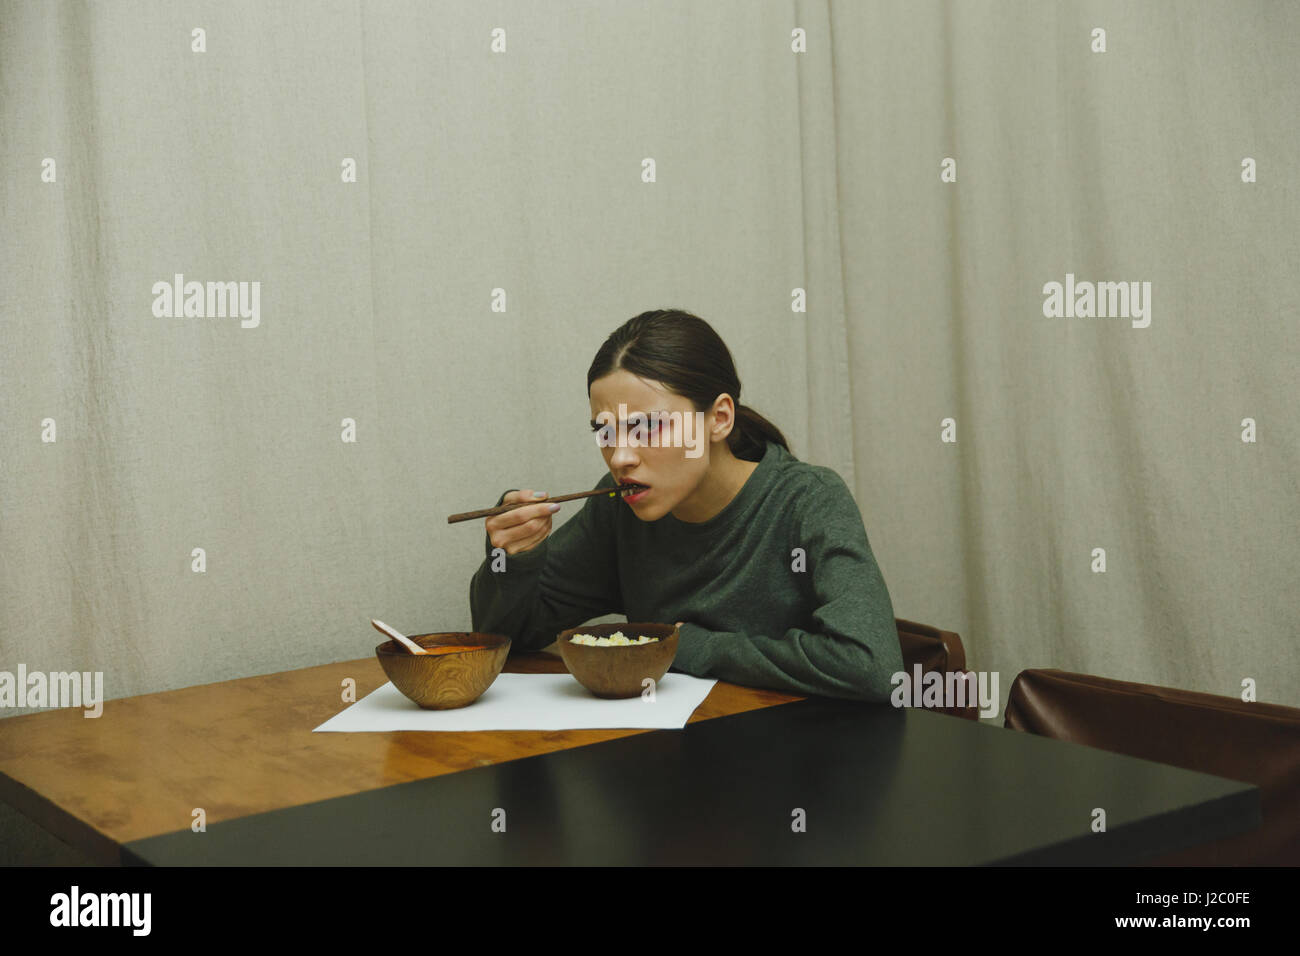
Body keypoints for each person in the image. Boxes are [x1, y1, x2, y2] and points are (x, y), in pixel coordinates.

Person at [468, 308, 903, 702]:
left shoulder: (807, 500)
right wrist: (514, 558)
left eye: (648, 427)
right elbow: (506, 640)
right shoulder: (620, 508)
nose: (620, 457)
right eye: (606, 432)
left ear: (719, 419)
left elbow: (871, 668)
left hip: (801, 751)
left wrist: (692, 645)